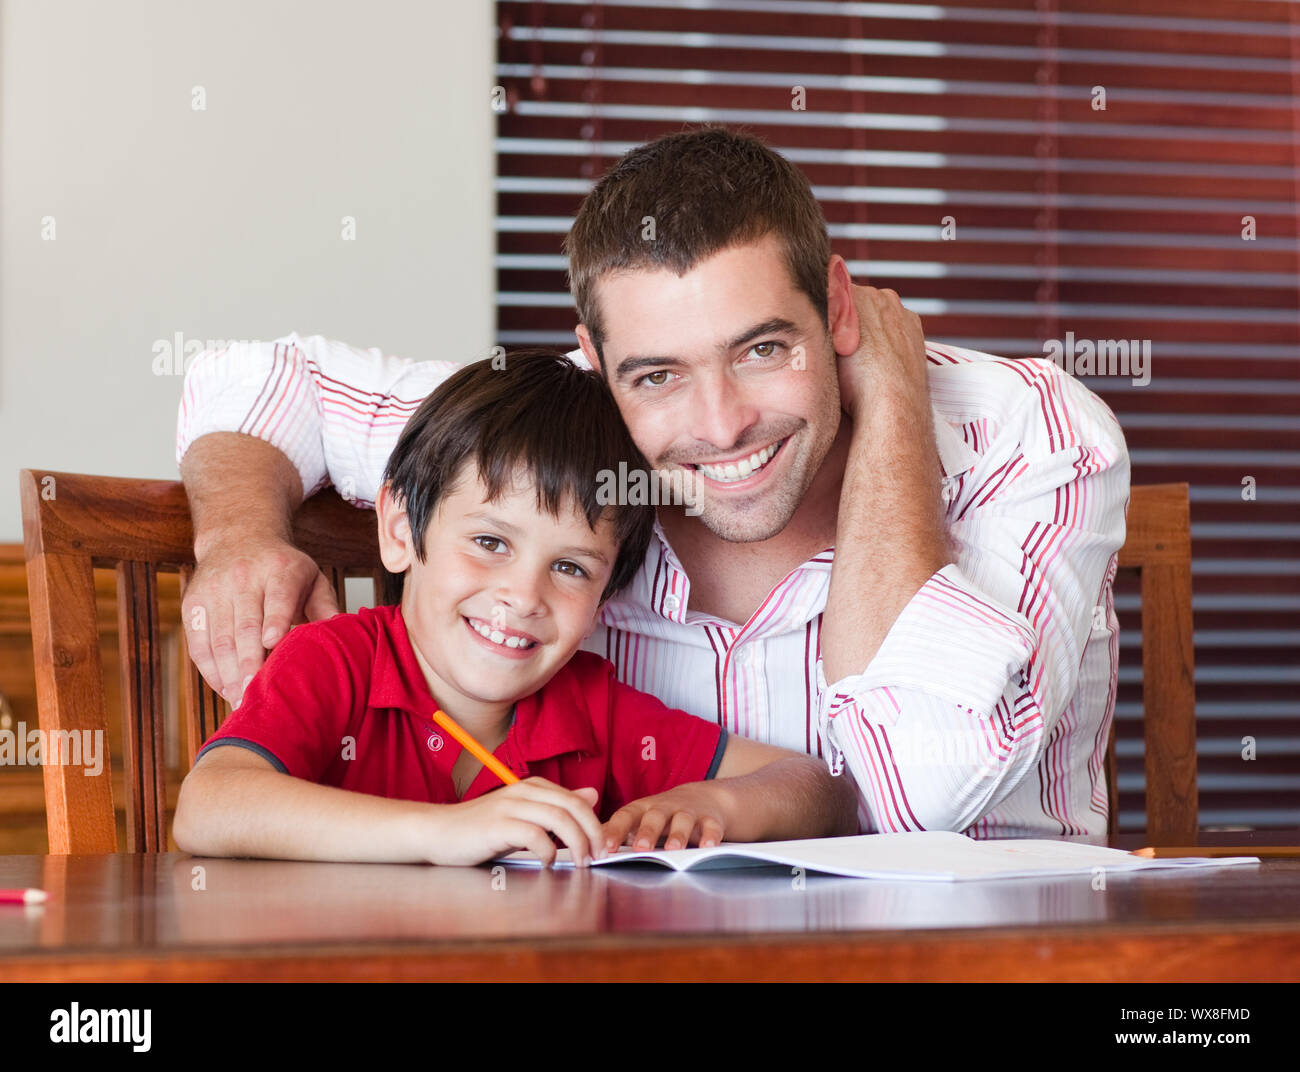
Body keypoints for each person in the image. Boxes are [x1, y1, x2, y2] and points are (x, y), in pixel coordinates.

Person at [176, 126, 1130, 838]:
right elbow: (263, 379)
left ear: (837, 305)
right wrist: (237, 536)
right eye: (658, 374)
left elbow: (919, 789)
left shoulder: (1024, 434)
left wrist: (891, 407)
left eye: (763, 349)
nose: (719, 426)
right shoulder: (559, 449)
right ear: (595, 361)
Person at [173, 351, 858, 865]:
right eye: (490, 542)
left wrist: (714, 804)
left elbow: (817, 785)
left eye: (569, 567)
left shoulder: (591, 708)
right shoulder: (337, 662)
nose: (523, 597)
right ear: (401, 530)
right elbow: (209, 808)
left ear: (607, 592)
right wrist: (446, 833)